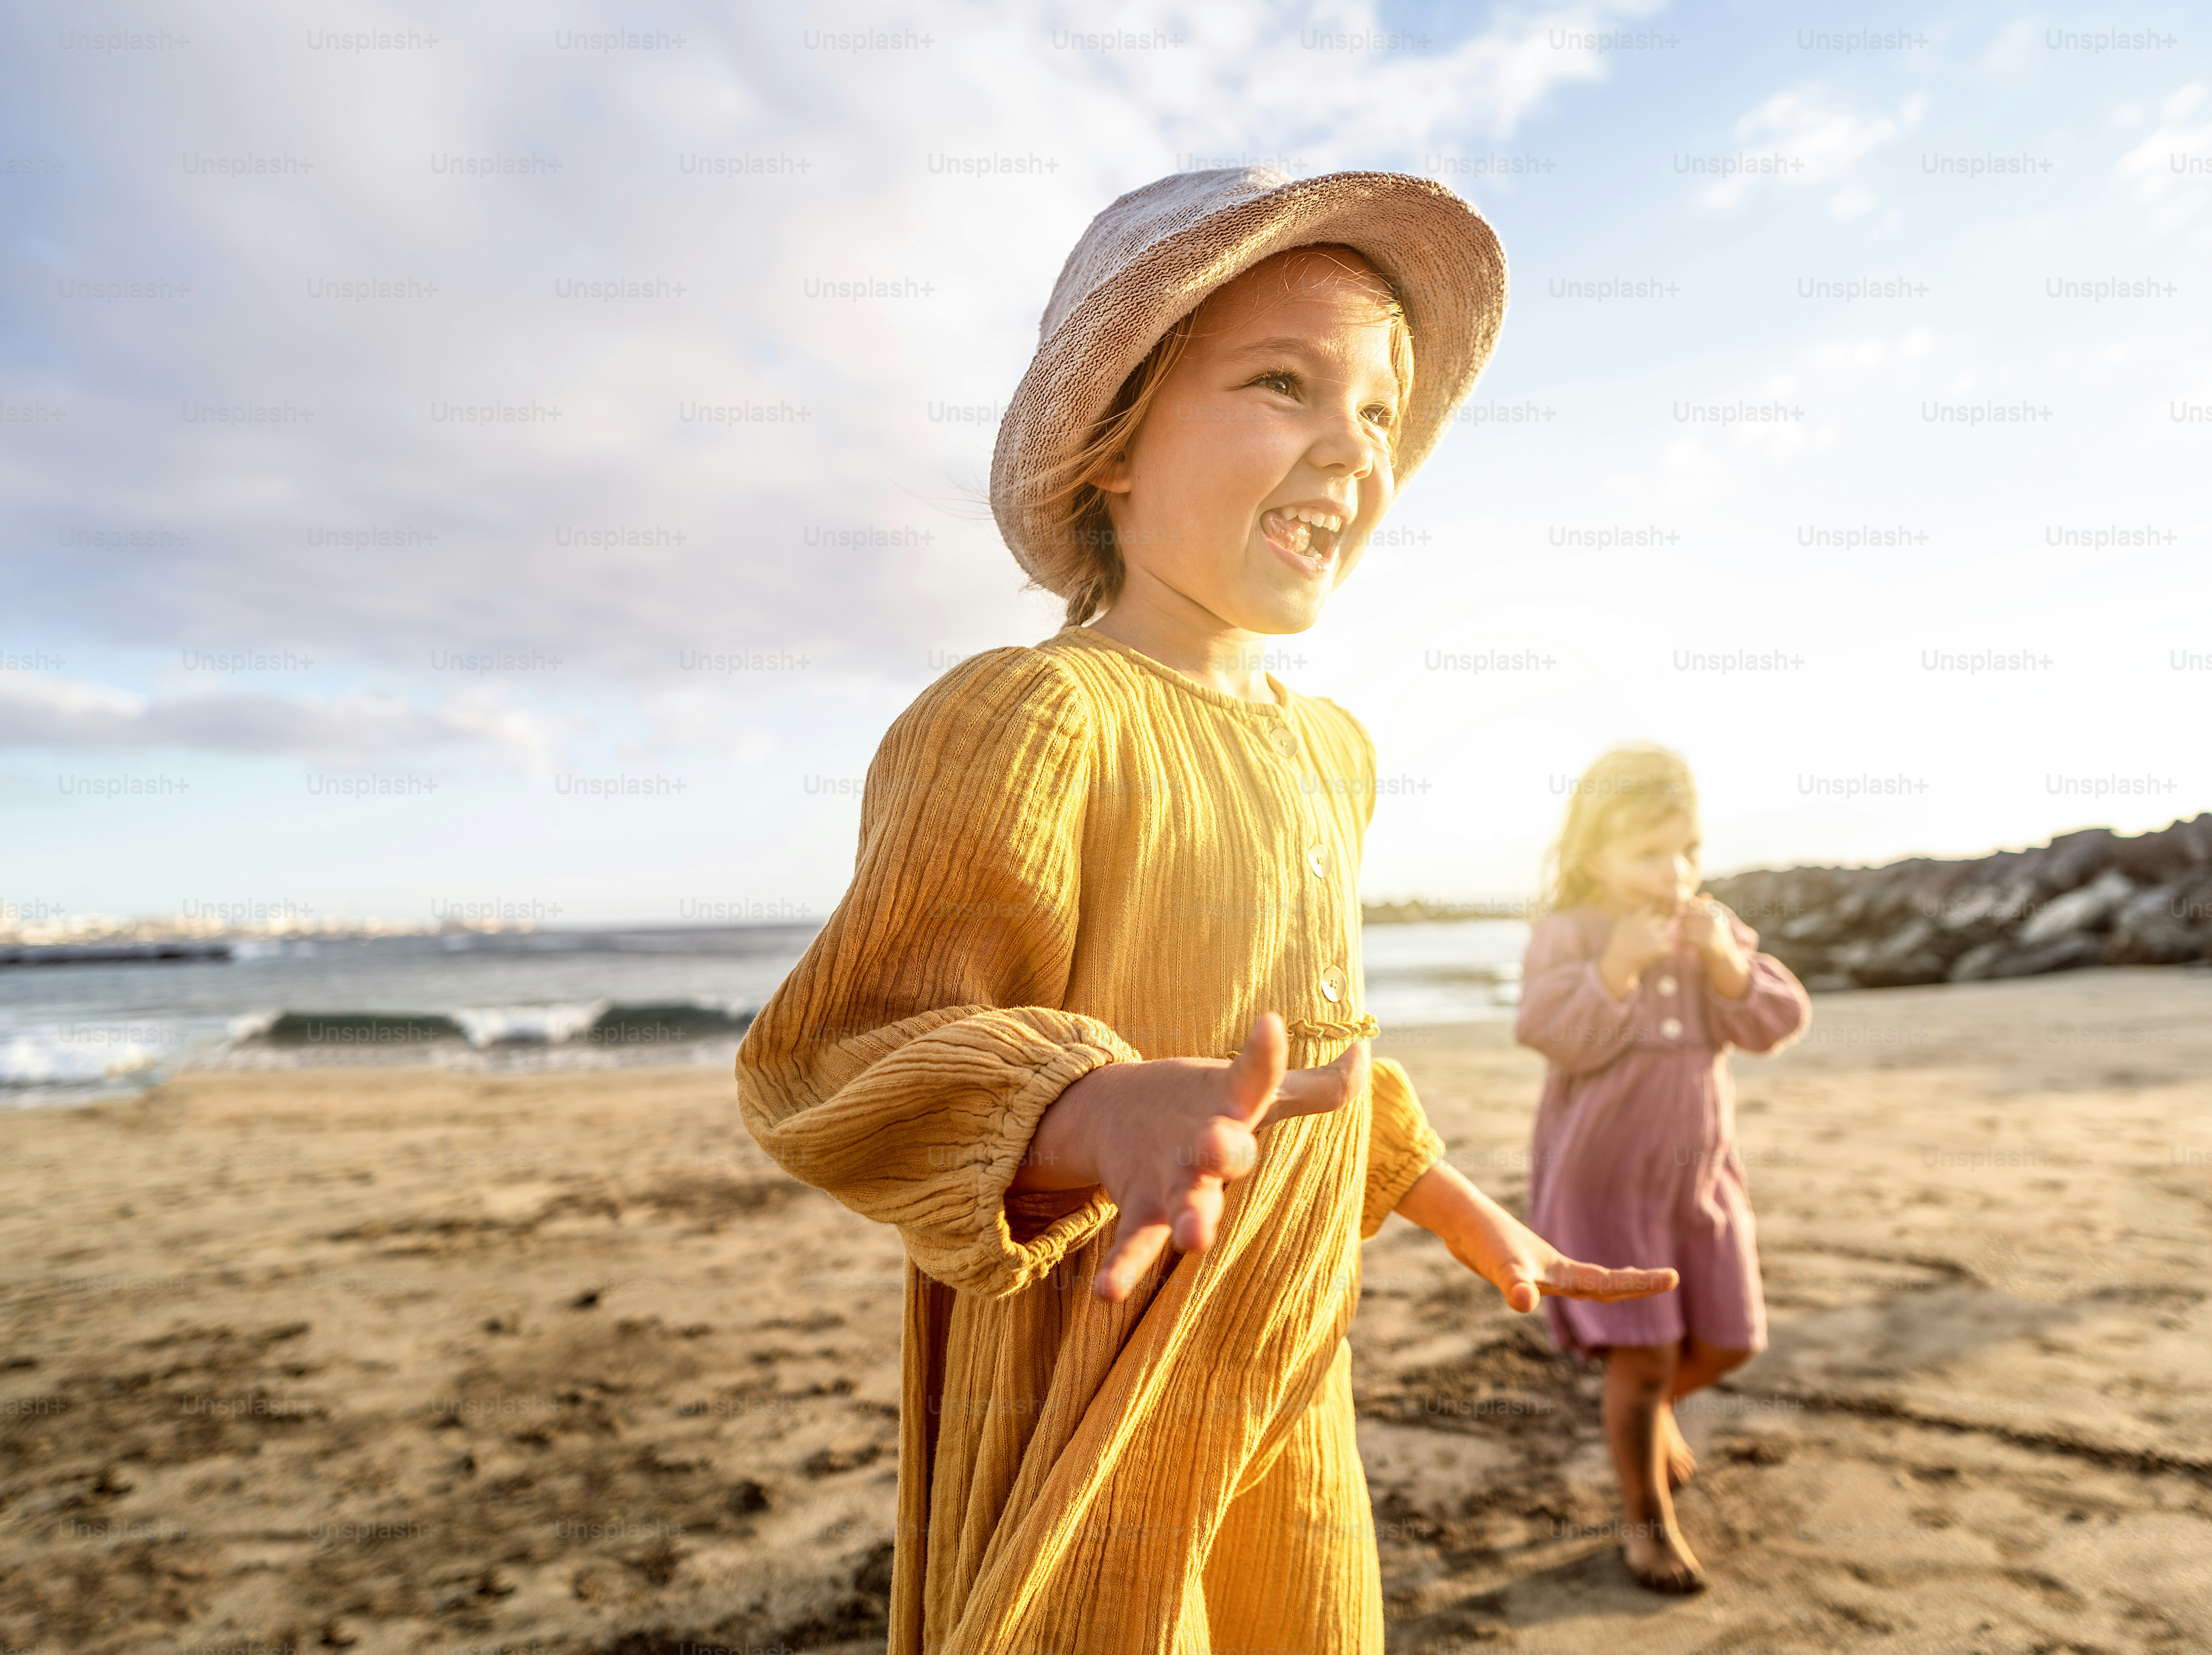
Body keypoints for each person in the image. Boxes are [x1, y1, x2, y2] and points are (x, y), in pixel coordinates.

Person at [735, 167, 1675, 1653]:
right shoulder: (1028, 715)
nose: (1348, 449)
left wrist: (1442, 1196)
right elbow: (845, 1048)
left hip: (1290, 1373)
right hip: (1090, 1383)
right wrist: (1087, 1109)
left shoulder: (1332, 750)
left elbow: (1316, 1048)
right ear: (1109, 446)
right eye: (1282, 383)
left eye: (1377, 413)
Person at [1516, 743, 1811, 1594]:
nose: (1675, 873)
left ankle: (1653, 1417)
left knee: (1729, 1339)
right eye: (1649, 854)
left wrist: (1726, 965)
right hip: (1604, 1188)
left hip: (1700, 1184)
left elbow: (1776, 1022)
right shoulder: (1570, 934)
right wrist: (1617, 969)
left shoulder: (1713, 931)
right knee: (1640, 1360)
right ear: (1592, 854)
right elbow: (1550, 1031)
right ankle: (1646, 1521)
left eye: (1689, 852)